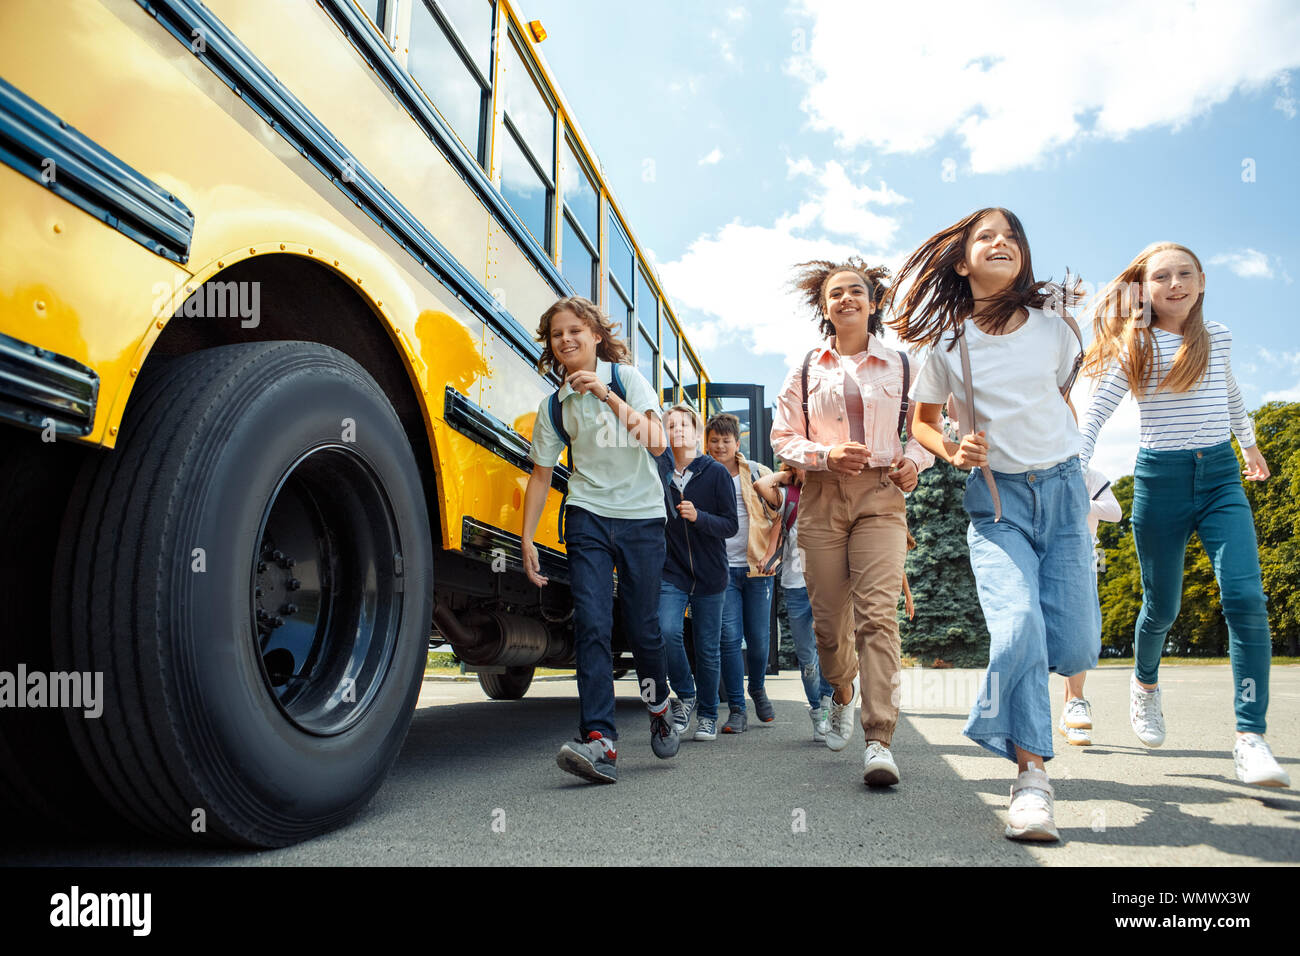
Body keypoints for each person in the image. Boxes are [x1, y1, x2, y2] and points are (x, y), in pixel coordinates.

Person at [890, 208, 1100, 840]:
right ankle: (1031, 777)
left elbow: (1061, 395)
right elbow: (922, 421)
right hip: (996, 502)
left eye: (1012, 237)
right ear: (963, 260)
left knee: (1076, 646)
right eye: (987, 237)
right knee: (1018, 629)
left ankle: (1006, 708)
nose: (1002, 243)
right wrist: (954, 449)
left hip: (1064, 494)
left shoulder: (1056, 327)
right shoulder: (949, 344)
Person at [1079, 242, 1289, 787]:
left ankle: (1250, 736)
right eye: (1162, 277)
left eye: (1185, 274)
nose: (1175, 284)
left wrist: (1249, 446)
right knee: (1161, 608)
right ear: (1143, 289)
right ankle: (1145, 683)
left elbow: (1232, 392)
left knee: (1245, 596)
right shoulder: (1136, 344)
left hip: (1220, 477)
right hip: (1160, 481)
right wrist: (1074, 469)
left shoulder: (1216, 337)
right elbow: (1098, 410)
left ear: (1200, 282)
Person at [769, 258, 933, 786]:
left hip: (881, 497)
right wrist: (823, 454)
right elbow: (782, 437)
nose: (846, 299)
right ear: (824, 307)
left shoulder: (903, 365)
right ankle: (842, 691)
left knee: (878, 615)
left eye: (855, 291)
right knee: (827, 624)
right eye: (835, 293)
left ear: (873, 302)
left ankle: (879, 739)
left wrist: (915, 462)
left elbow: (926, 430)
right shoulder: (804, 369)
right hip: (820, 498)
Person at [520, 296, 678, 784]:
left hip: (643, 517)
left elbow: (657, 442)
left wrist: (607, 396)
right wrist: (527, 538)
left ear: (594, 336)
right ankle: (599, 741)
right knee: (591, 622)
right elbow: (542, 476)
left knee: (644, 626)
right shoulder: (554, 405)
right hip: (588, 515)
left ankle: (658, 702)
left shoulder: (626, 379)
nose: (565, 340)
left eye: (575, 331)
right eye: (556, 334)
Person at [655, 403, 738, 742]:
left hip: (710, 574)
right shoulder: (659, 472)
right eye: (670, 425)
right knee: (665, 629)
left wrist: (699, 517)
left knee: (707, 648)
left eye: (684, 425)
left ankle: (707, 714)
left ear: (696, 431)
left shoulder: (715, 472)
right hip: (671, 571)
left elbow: (730, 525)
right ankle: (685, 695)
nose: (677, 430)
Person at [704, 412, 782, 733]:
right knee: (729, 640)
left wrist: (771, 554)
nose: (720, 445)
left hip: (758, 569)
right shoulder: (700, 476)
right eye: (714, 440)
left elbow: (782, 513)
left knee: (759, 640)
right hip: (721, 571)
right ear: (706, 443)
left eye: (726, 440)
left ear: (738, 443)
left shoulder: (758, 473)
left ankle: (758, 688)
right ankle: (737, 708)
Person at [756, 461, 835, 742]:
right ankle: (816, 709)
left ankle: (827, 704)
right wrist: (789, 475)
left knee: (829, 650)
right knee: (807, 658)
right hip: (796, 586)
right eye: (802, 466)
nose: (808, 472)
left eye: (812, 466)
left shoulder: (832, 495)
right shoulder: (789, 498)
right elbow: (761, 485)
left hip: (828, 586)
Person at [1057, 467, 1122, 746]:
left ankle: (1073, 705)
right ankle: (1059, 711)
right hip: (1043, 552)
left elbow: (1114, 512)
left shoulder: (1089, 476)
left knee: (1077, 632)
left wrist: (1079, 501)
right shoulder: (1035, 464)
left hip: (1083, 557)